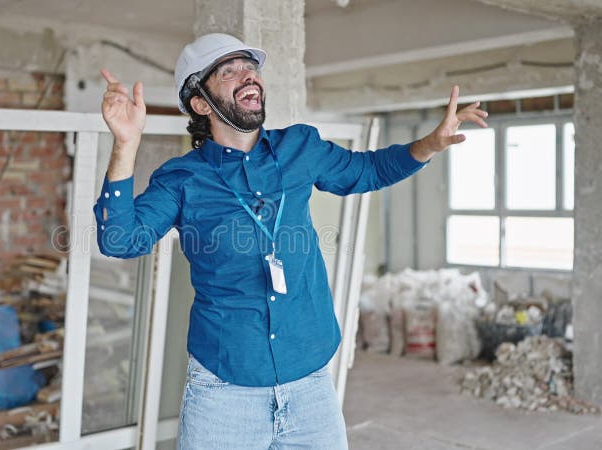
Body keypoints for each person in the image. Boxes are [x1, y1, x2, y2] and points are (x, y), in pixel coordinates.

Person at [94, 33, 488, 450]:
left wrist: (431, 144)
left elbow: (367, 170)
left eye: (250, 68)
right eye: (228, 71)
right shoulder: (182, 178)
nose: (248, 76)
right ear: (201, 103)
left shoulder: (300, 147)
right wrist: (125, 144)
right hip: (224, 393)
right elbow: (120, 240)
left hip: (310, 386)